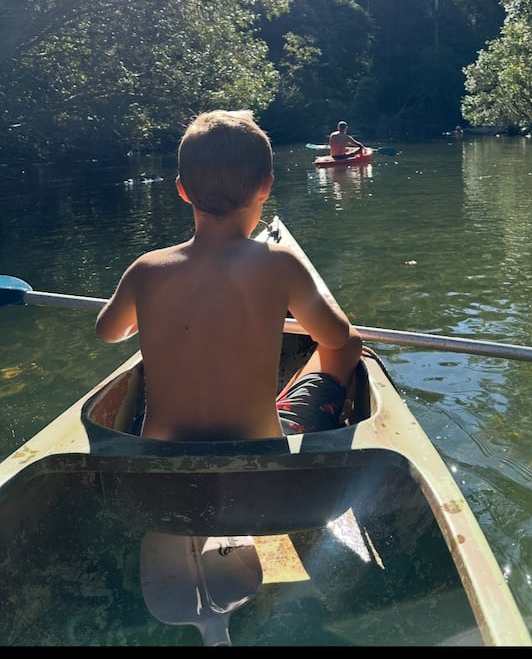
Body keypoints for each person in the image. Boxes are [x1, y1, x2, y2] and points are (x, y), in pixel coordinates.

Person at [95, 109, 364, 442]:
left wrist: (144, 314)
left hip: (161, 455)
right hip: (257, 451)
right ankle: (280, 403)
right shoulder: (281, 264)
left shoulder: (147, 269)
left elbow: (108, 331)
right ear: (265, 187)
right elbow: (336, 337)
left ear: (182, 190)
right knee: (350, 344)